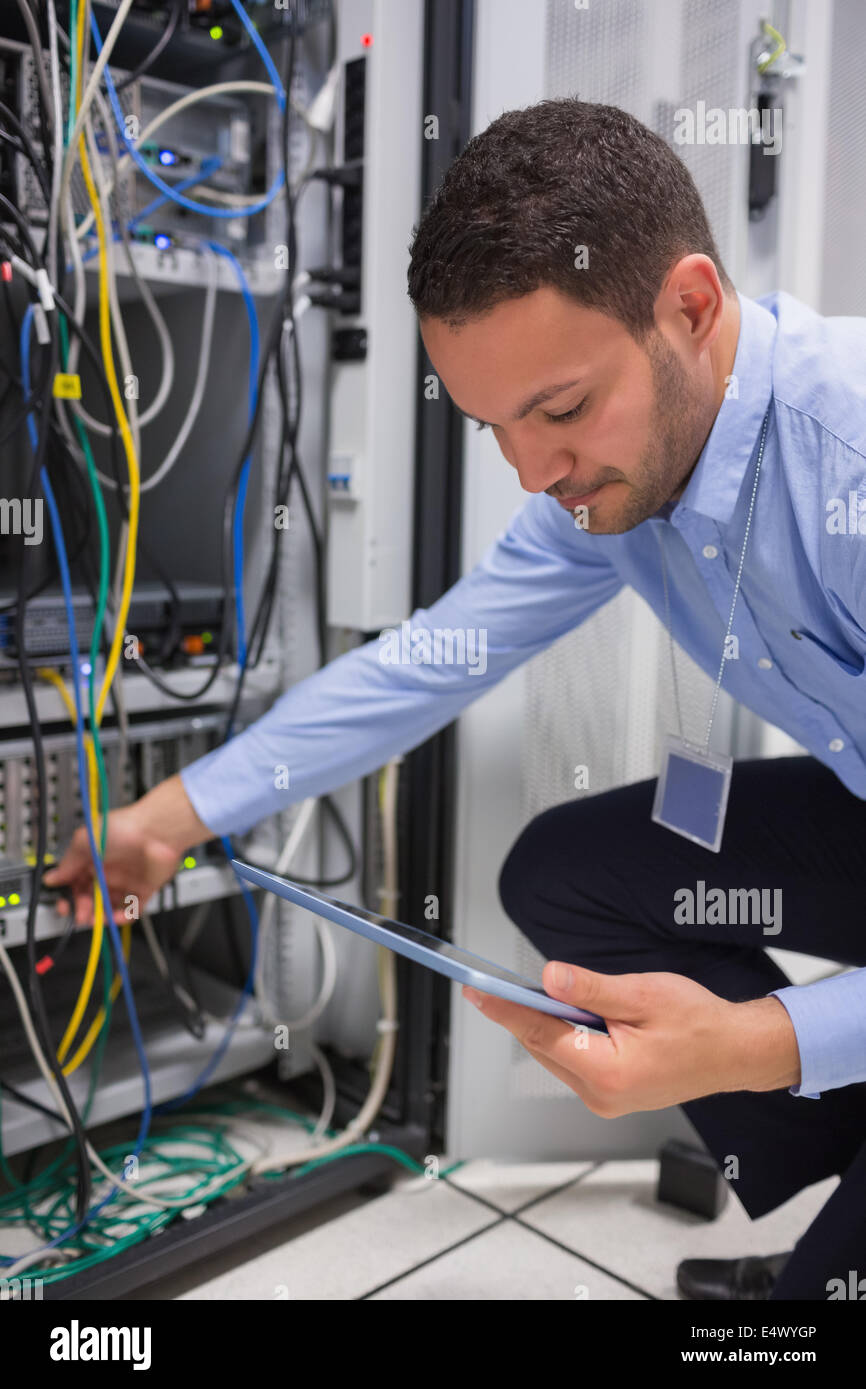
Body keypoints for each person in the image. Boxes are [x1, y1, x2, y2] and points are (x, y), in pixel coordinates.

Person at [46, 99, 866, 1302]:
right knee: (564, 871)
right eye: (492, 427)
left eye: (560, 409)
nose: (535, 474)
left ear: (688, 308)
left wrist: (762, 1041)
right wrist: (171, 816)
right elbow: (425, 661)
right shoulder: (607, 486)